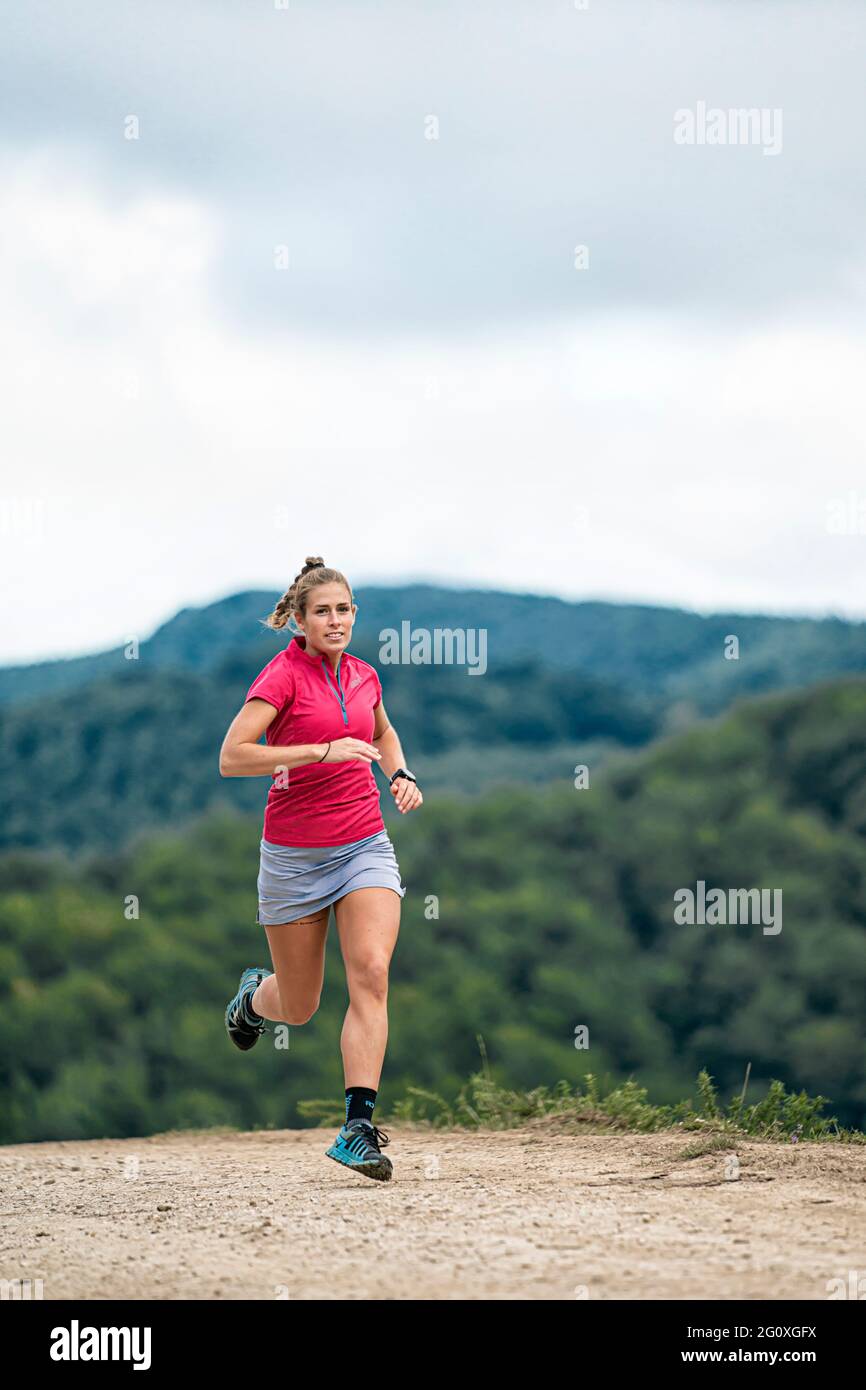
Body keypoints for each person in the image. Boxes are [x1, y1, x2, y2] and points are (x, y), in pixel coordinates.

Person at [218, 556, 422, 1182]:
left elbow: (382, 733)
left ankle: (357, 1128)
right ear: (300, 621)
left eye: (344, 610)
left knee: (372, 970)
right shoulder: (280, 679)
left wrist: (399, 774)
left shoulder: (364, 677)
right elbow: (233, 756)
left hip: (364, 844)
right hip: (294, 859)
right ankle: (255, 997)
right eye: (323, 612)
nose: (336, 621)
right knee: (300, 1005)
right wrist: (318, 751)